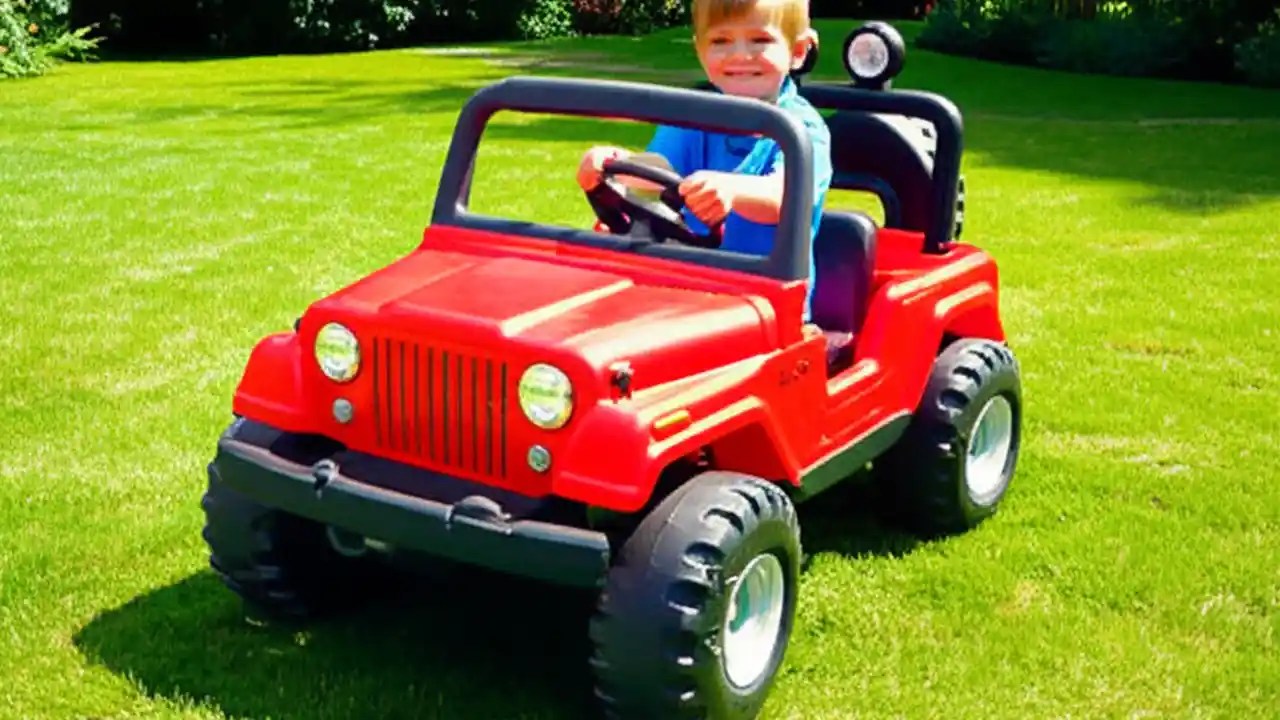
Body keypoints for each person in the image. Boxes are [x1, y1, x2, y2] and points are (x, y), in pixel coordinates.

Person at [576, 0, 833, 322]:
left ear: (797, 51)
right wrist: (615, 164)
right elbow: (659, 170)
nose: (739, 54)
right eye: (720, 41)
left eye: (760, 39)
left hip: (767, 306)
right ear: (700, 50)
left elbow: (784, 197)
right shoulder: (694, 117)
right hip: (690, 285)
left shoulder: (802, 131)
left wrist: (732, 190)